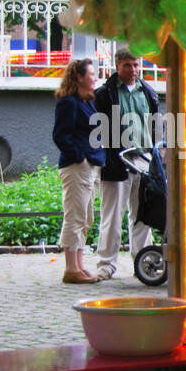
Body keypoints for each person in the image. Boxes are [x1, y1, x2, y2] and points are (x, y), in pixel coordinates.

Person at [92, 49, 157, 280]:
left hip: (144, 159)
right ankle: (106, 264)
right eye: (128, 65)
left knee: (142, 214)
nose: (133, 70)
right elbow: (98, 129)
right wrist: (104, 157)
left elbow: (152, 126)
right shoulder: (105, 94)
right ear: (117, 65)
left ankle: (143, 260)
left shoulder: (147, 93)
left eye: (136, 65)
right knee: (112, 215)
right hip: (116, 159)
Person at [53, 58, 105, 284]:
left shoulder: (87, 101)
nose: (95, 77)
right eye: (91, 74)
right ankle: (70, 269)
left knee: (86, 217)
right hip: (77, 167)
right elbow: (60, 135)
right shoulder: (69, 103)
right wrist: (79, 157)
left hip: (91, 164)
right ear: (79, 77)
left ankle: (79, 266)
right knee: (74, 216)